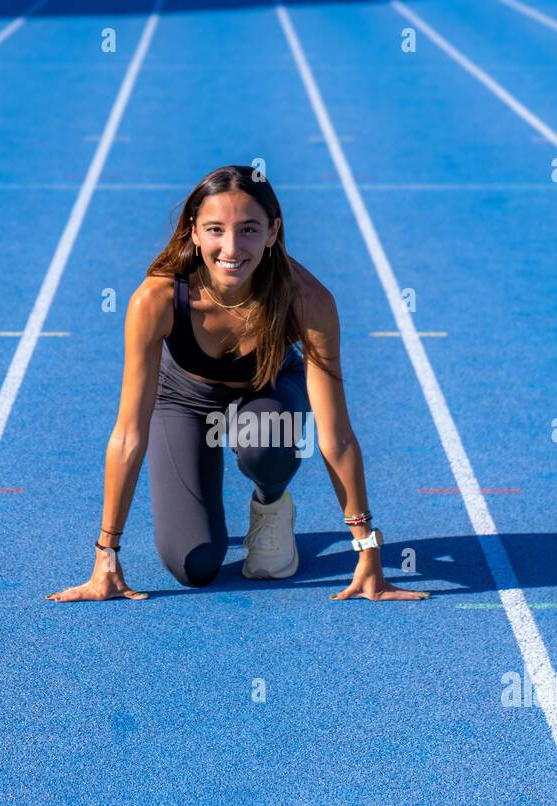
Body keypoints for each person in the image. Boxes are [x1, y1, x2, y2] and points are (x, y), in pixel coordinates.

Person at [47, 165, 429, 603]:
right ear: (193, 232)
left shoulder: (306, 299)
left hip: (268, 392)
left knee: (265, 439)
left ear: (273, 232)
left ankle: (270, 503)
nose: (231, 248)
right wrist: (106, 555)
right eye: (215, 230)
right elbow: (129, 434)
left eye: (248, 229)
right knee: (193, 566)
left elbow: (336, 436)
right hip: (183, 400)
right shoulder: (156, 300)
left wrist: (367, 550)